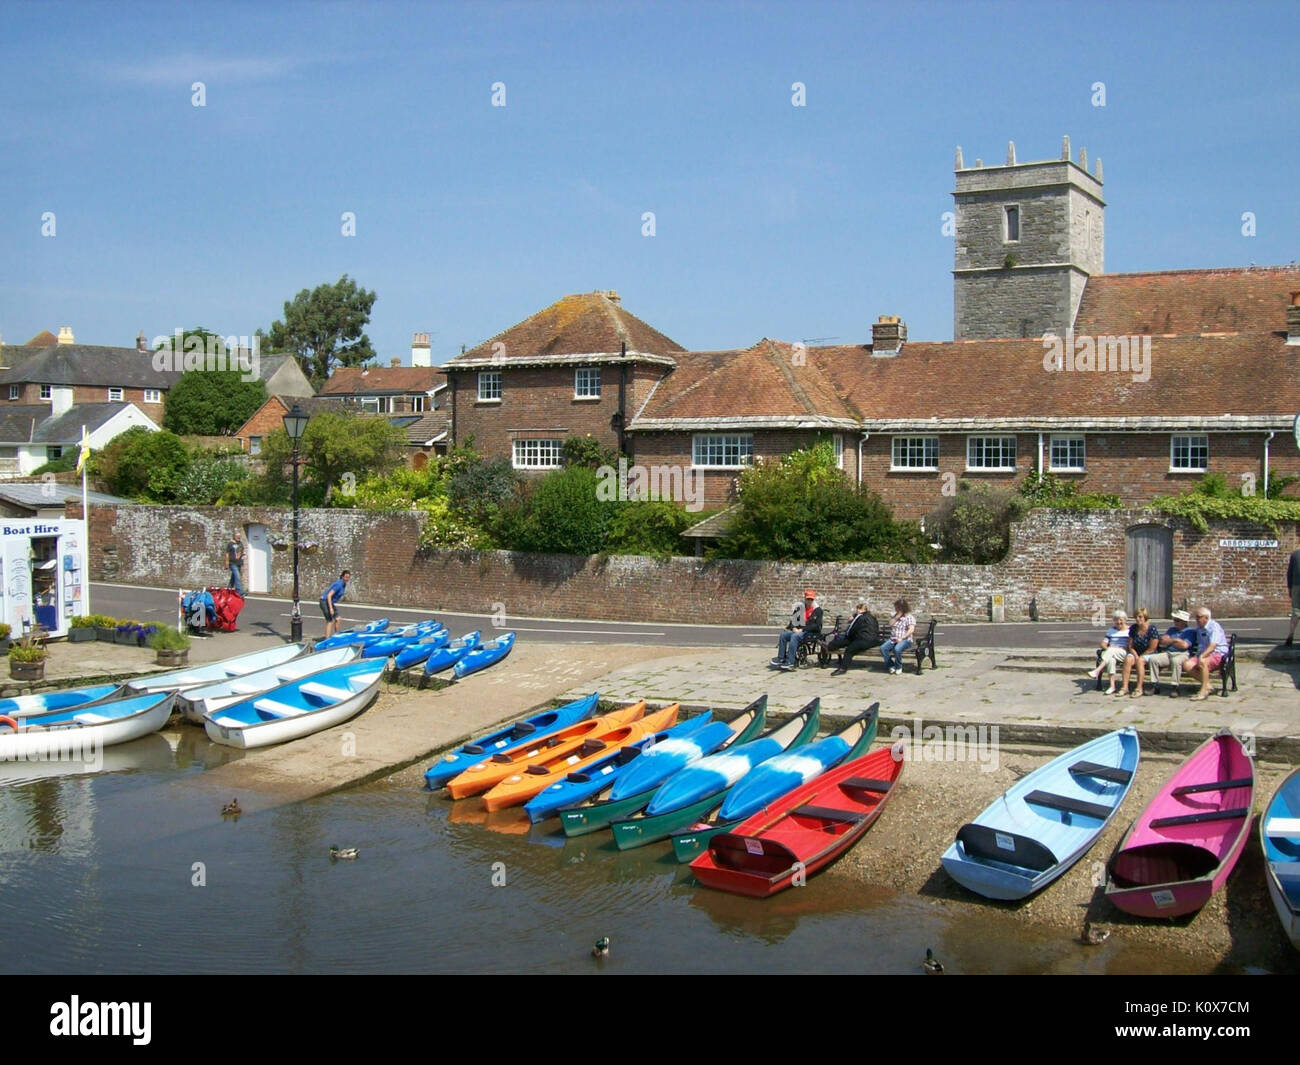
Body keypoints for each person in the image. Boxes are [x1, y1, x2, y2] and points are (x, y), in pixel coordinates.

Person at [1142, 609, 1195, 695]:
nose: (1175, 622)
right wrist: (1176, 641)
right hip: (1169, 652)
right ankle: (1154, 685)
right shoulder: (1171, 630)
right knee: (1153, 659)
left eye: (1177, 620)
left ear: (1184, 622)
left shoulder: (1190, 632)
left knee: (1176, 661)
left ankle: (1175, 687)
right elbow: (1162, 641)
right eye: (1174, 620)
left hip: (1183, 654)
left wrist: (1171, 641)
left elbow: (1185, 646)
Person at [1183, 606, 1228, 701]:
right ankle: (1208, 686)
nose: (1197, 620)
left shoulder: (1214, 627)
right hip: (1204, 654)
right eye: (1196, 617)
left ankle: (1203, 692)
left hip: (1218, 654)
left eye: (1199, 617)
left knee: (1203, 661)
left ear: (1206, 618)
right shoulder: (1199, 629)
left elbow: (1213, 646)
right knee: (1187, 664)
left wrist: (1202, 656)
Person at [772, 589, 822, 672]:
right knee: (783, 635)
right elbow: (793, 620)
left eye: (811, 599)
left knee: (795, 637)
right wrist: (793, 627)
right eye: (808, 599)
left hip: (810, 632)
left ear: (813, 600)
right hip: (798, 630)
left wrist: (802, 629)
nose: (809, 601)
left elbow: (816, 626)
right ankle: (781, 658)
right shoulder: (800, 608)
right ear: (805, 599)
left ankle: (790, 662)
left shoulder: (818, 610)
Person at [828, 603, 880, 676]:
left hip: (864, 640)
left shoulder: (860, 617)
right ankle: (831, 646)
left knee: (849, 650)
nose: (856, 611)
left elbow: (852, 630)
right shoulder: (871, 616)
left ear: (860, 609)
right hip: (872, 640)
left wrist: (848, 635)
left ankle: (842, 668)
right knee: (846, 642)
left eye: (857, 609)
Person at [1118, 607, 1160, 696]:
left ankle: (1139, 688)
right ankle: (1125, 687)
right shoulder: (1133, 628)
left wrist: (1140, 657)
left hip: (1149, 654)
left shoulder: (1152, 629)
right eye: (1136, 617)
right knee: (1128, 659)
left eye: (1140, 617)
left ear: (1145, 617)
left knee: (1140, 661)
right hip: (1136, 652)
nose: (1137, 619)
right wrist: (1135, 655)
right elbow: (1130, 646)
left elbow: (1152, 648)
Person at [1087, 610, 1130, 695]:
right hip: (1111, 652)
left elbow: (1131, 644)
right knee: (1111, 660)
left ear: (1125, 620)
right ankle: (1112, 686)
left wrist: (1117, 648)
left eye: (1121, 620)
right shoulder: (1111, 630)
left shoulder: (1129, 630)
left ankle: (1097, 670)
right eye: (1116, 620)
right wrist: (1108, 648)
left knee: (1111, 651)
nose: (1119, 622)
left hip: (1124, 652)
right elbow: (1103, 644)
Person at [880, 598, 916, 675]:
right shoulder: (896, 616)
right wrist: (897, 617)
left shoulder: (909, 617)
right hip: (893, 639)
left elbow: (911, 630)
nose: (895, 609)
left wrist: (902, 638)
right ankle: (891, 665)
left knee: (897, 649)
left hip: (906, 640)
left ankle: (898, 666)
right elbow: (890, 624)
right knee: (883, 648)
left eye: (897, 608)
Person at [320, 570, 351, 638]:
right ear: (342, 577)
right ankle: (327, 640)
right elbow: (329, 595)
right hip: (325, 601)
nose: (347, 579)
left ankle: (336, 637)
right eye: (345, 577)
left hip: (329, 602)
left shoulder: (343, 584)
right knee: (330, 621)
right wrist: (331, 608)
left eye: (348, 577)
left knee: (338, 619)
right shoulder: (339, 584)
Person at [1288, 546, 1300, 646]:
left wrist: (1290, 588)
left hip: (1296, 585)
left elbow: (1289, 573)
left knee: (1296, 611)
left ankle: (1291, 634)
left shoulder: (1295, 554)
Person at [226, 531, 245, 598]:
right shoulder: (230, 544)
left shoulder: (240, 544)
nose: (238, 538)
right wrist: (227, 562)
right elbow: (227, 553)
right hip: (232, 563)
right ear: (234, 537)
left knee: (233, 577)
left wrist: (241, 555)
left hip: (239, 562)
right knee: (237, 577)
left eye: (239, 537)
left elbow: (241, 550)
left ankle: (228, 589)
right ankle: (240, 593)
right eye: (237, 536)